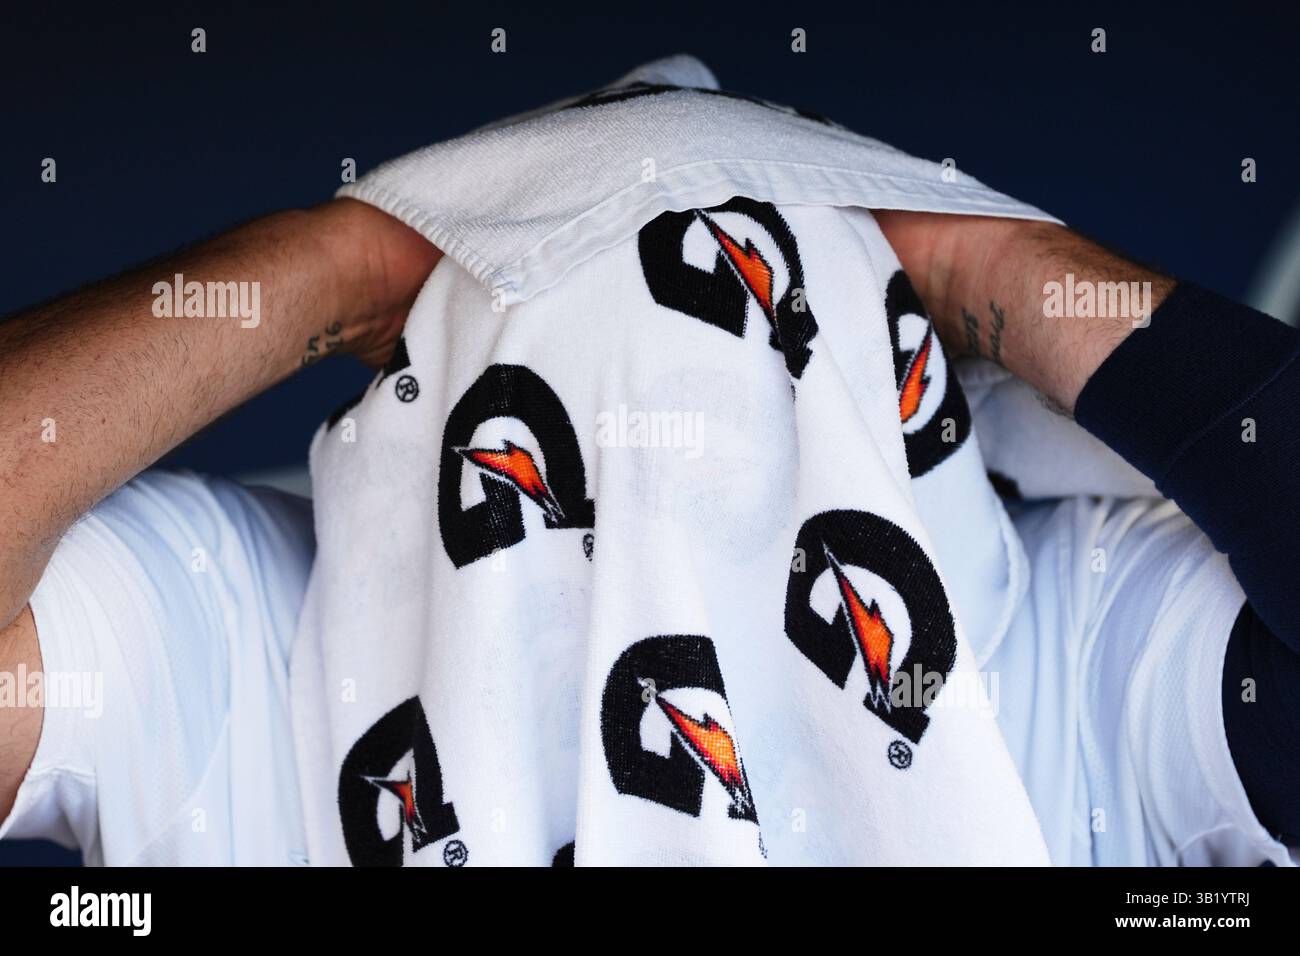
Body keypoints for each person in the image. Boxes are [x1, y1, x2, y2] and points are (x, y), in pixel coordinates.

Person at [0, 56, 1295, 865]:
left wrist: (985, 258)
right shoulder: (235, 646)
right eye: (559, 391)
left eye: (768, 399)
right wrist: (340, 263)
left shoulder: (1085, 651)